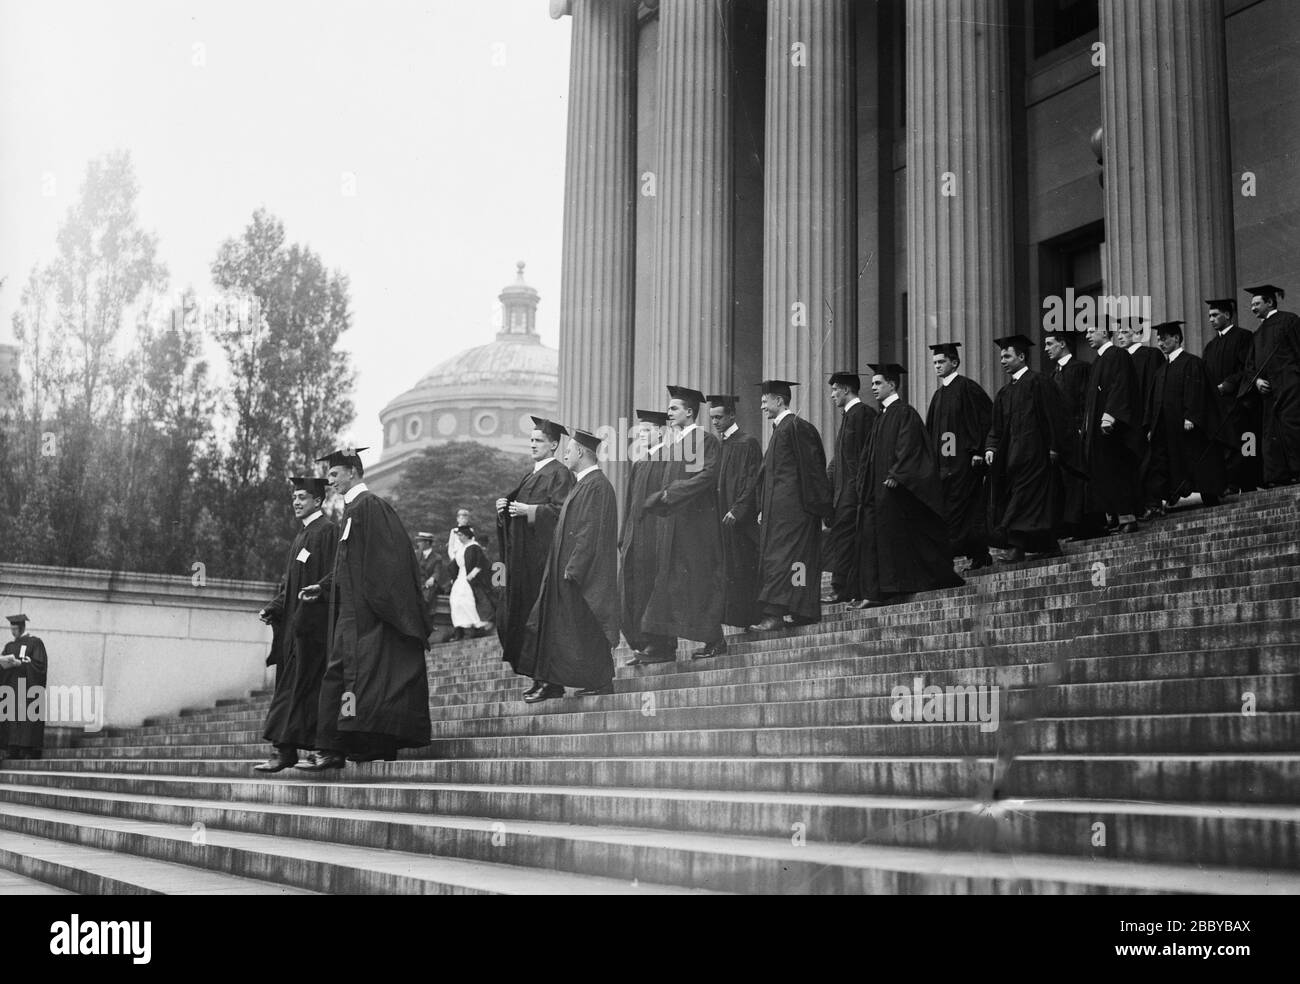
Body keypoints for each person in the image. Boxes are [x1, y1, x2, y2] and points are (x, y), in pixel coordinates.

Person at [297, 447, 431, 770]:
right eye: (329, 476)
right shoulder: (352, 509)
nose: (330, 482)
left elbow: (387, 562)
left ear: (353, 472)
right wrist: (326, 586)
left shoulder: (370, 506)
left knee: (347, 678)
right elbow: (348, 563)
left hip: (366, 615)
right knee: (346, 679)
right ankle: (351, 745)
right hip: (352, 613)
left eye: (334, 474)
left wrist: (381, 608)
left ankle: (331, 749)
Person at [518, 427, 620, 702]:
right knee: (566, 631)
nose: (565, 454)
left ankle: (599, 681)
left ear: (582, 453)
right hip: (565, 570)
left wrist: (573, 568)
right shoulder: (582, 484)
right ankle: (556, 682)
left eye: (569, 450)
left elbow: (588, 532)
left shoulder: (596, 485)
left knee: (585, 629)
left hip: (579, 574)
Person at [854, 364, 963, 606]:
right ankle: (875, 592)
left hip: (894, 490)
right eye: (872, 384)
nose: (873, 388)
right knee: (875, 539)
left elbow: (910, 446)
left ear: (892, 384)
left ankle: (895, 588)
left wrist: (897, 473)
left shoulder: (904, 412)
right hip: (877, 492)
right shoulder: (881, 415)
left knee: (893, 539)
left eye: (878, 383)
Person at [636, 385, 725, 663]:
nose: (669, 412)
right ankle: (661, 645)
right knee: (667, 583)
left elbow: (708, 476)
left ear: (690, 411)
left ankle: (714, 638)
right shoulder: (674, 446)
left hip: (696, 527)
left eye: (674, 408)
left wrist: (670, 493)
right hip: (672, 526)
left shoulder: (705, 440)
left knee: (697, 582)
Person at [255, 476, 337, 773]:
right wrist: (274, 607)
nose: (296, 502)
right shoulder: (303, 535)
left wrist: (320, 592)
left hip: (315, 627)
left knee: (303, 689)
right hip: (296, 627)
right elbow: (290, 584)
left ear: (318, 500)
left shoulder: (327, 531)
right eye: (294, 498)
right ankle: (285, 750)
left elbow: (336, 574)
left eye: (303, 497)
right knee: (292, 688)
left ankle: (299, 750)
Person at [496, 416, 575, 695]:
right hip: (524, 562)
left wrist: (529, 511)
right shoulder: (531, 475)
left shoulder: (559, 473)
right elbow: (517, 512)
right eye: (531, 440)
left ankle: (551, 681)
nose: (533, 444)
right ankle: (537, 678)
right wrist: (505, 509)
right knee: (522, 621)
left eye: (539, 440)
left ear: (554, 444)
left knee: (541, 622)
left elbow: (562, 513)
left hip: (543, 561)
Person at [749, 380, 833, 632]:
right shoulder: (780, 430)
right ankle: (801, 611)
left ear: (779, 400)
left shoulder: (797, 427)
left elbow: (813, 469)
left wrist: (817, 507)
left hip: (795, 513)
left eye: (765, 401)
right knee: (792, 562)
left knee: (787, 562)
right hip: (779, 513)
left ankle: (776, 614)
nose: (762, 406)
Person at [984, 336, 1070, 562]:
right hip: (1012, 458)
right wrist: (991, 447)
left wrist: (1053, 447)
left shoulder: (1039, 382)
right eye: (1001, 357)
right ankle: (1049, 544)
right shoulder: (1004, 392)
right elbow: (997, 427)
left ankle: (1016, 547)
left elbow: (1053, 417)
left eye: (1007, 356)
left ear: (1021, 357)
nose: (1002, 360)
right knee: (1032, 504)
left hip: (1037, 455)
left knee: (1025, 502)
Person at [1144, 321, 1227, 509]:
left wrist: (1191, 416)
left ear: (1176, 338)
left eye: (1164, 339)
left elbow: (1196, 392)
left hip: (1187, 425)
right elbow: (1154, 400)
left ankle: (1206, 494)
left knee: (1194, 458)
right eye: (1158, 340)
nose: (1160, 343)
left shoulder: (1192, 362)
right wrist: (1152, 425)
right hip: (1167, 427)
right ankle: (1176, 495)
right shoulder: (1162, 370)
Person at [924, 343, 992, 569]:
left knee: (967, 510)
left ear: (954, 362)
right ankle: (974, 553)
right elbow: (934, 433)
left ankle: (978, 554)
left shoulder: (967, 388)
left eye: (941, 362)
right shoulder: (938, 396)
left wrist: (978, 451)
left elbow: (982, 420)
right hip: (945, 465)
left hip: (965, 463)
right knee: (950, 510)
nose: (937, 366)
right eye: (934, 363)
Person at [1083, 320, 1145, 534]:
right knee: (1104, 472)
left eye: (1092, 331)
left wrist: (1110, 415)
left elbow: (1121, 386)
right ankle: (1115, 516)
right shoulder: (1098, 361)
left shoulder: (1118, 355)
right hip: (1099, 430)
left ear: (1105, 332)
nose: (1087, 335)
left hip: (1112, 428)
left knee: (1117, 470)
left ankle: (1127, 516)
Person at [708, 394, 761, 631]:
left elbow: (753, 480)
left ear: (731, 415)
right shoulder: (721, 445)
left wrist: (738, 509)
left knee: (745, 565)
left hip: (741, 519)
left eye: (719, 417)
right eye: (712, 418)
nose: (715, 422)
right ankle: (738, 616)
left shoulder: (747, 442)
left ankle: (751, 615)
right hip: (724, 519)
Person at [1239, 284, 1300, 487]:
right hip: (1268, 390)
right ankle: (1278, 475)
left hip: (1290, 384)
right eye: (1251, 304)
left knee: (1292, 426)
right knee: (1271, 432)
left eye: (1257, 303)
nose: (1253, 308)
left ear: (1270, 302)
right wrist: (1256, 381)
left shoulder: (1289, 321)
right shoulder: (1258, 333)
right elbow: (1250, 365)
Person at [619, 409, 668, 663]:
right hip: (635, 538)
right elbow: (629, 505)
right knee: (634, 592)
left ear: (661, 431)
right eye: (640, 432)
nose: (642, 435)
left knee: (653, 591)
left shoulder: (668, 460)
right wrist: (624, 536)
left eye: (647, 430)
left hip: (655, 537)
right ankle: (643, 645)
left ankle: (660, 647)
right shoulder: (639, 463)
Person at [824, 372, 876, 602]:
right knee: (843, 538)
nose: (832, 394)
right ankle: (844, 587)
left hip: (854, 490)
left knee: (845, 538)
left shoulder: (863, 414)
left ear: (846, 390)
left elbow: (867, 455)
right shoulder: (848, 416)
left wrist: (858, 489)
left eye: (835, 389)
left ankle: (841, 587)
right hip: (844, 490)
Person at [1202, 298, 1261, 494]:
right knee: (1225, 445)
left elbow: (1248, 367)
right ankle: (1231, 482)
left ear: (1227, 315)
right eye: (1209, 316)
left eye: (1215, 315)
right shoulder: (1210, 347)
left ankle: (1249, 481)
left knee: (1246, 442)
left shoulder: (1243, 337)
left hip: (1239, 401)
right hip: (1219, 406)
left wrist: (1228, 385)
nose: (1211, 319)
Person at [1043, 328, 1095, 538]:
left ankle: (1084, 526)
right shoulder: (1052, 375)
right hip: (1059, 438)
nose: (1046, 349)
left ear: (1062, 343)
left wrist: (1083, 427)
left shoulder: (1081, 368)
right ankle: (1068, 526)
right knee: (1062, 483)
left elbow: (1086, 401)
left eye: (1049, 344)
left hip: (1077, 434)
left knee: (1078, 481)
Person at [1114, 317, 1167, 519]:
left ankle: (1153, 503)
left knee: (1150, 462)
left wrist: (1151, 419)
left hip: (1145, 419)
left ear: (1137, 334)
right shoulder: (1119, 358)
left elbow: (1156, 389)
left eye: (1124, 332)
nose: (1119, 336)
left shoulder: (1150, 355)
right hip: (1125, 422)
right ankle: (1138, 506)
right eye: (1118, 333)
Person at [0, 613, 48, 759]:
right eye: (11, 629)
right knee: (12, 717)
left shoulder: (35, 643)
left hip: (28, 688)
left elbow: (40, 666)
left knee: (27, 717)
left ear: (22, 627)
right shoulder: (9, 646)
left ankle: (27, 749)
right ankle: (12, 748)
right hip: (12, 689)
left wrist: (23, 664)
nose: (13, 632)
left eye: (15, 629)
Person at [449, 526, 495, 639]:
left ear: (465, 535)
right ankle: (462, 629)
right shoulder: (461, 548)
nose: (459, 538)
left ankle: (471, 629)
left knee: (466, 601)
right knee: (456, 602)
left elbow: (481, 563)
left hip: (471, 578)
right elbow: (455, 565)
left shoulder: (474, 547)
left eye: (460, 535)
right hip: (460, 578)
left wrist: (472, 574)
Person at [414, 531, 446, 646]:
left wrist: (433, 578)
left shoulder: (437, 557)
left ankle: (427, 623)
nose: (418, 544)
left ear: (427, 542)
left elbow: (437, 572)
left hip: (429, 584)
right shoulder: (416, 554)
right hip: (418, 583)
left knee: (427, 595)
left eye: (421, 541)